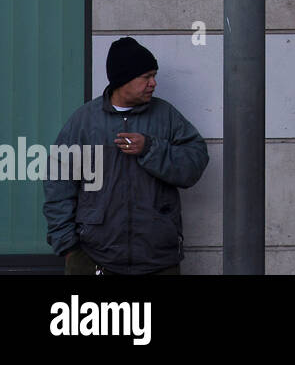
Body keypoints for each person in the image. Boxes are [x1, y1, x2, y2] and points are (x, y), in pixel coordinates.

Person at [44, 37, 210, 275]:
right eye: (146, 77)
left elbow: (194, 164)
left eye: (154, 76)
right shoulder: (84, 121)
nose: (153, 83)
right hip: (94, 258)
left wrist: (150, 148)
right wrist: (68, 246)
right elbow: (57, 183)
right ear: (124, 79)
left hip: (158, 259)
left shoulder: (166, 116)